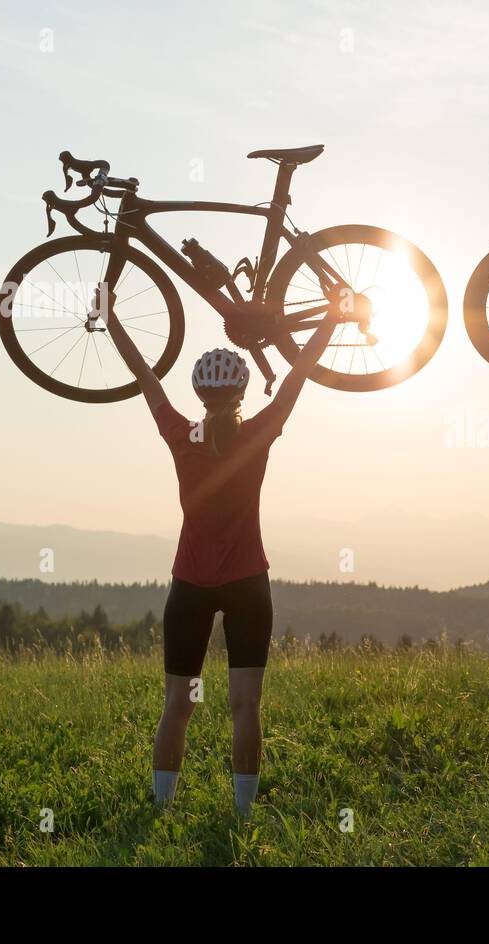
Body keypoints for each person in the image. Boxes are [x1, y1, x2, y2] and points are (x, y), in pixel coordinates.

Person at [102, 288, 340, 818]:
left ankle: (163, 811)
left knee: (178, 705)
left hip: (188, 584)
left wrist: (111, 317)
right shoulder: (258, 431)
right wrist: (330, 318)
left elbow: (145, 376)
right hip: (247, 583)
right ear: (242, 391)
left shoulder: (179, 433)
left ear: (200, 393)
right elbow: (299, 372)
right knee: (244, 705)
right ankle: (243, 817)